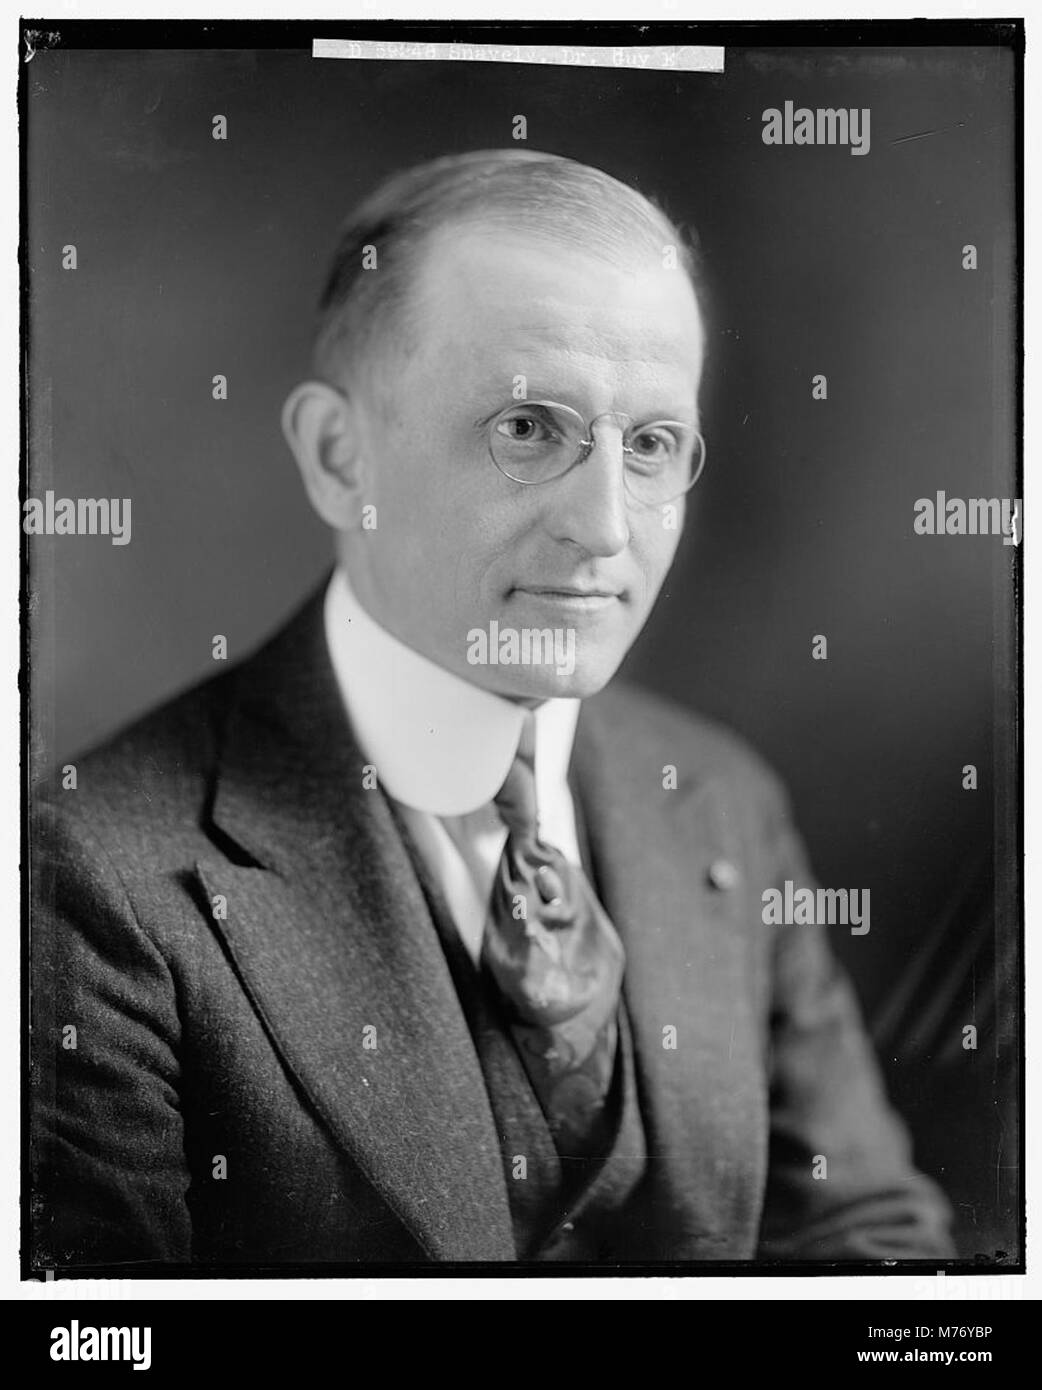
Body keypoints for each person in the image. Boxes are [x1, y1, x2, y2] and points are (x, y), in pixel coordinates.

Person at [30, 149, 954, 1269]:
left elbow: (871, 1248)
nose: (607, 528)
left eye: (651, 444)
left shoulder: (719, 802)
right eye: (528, 431)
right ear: (339, 456)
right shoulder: (98, 881)